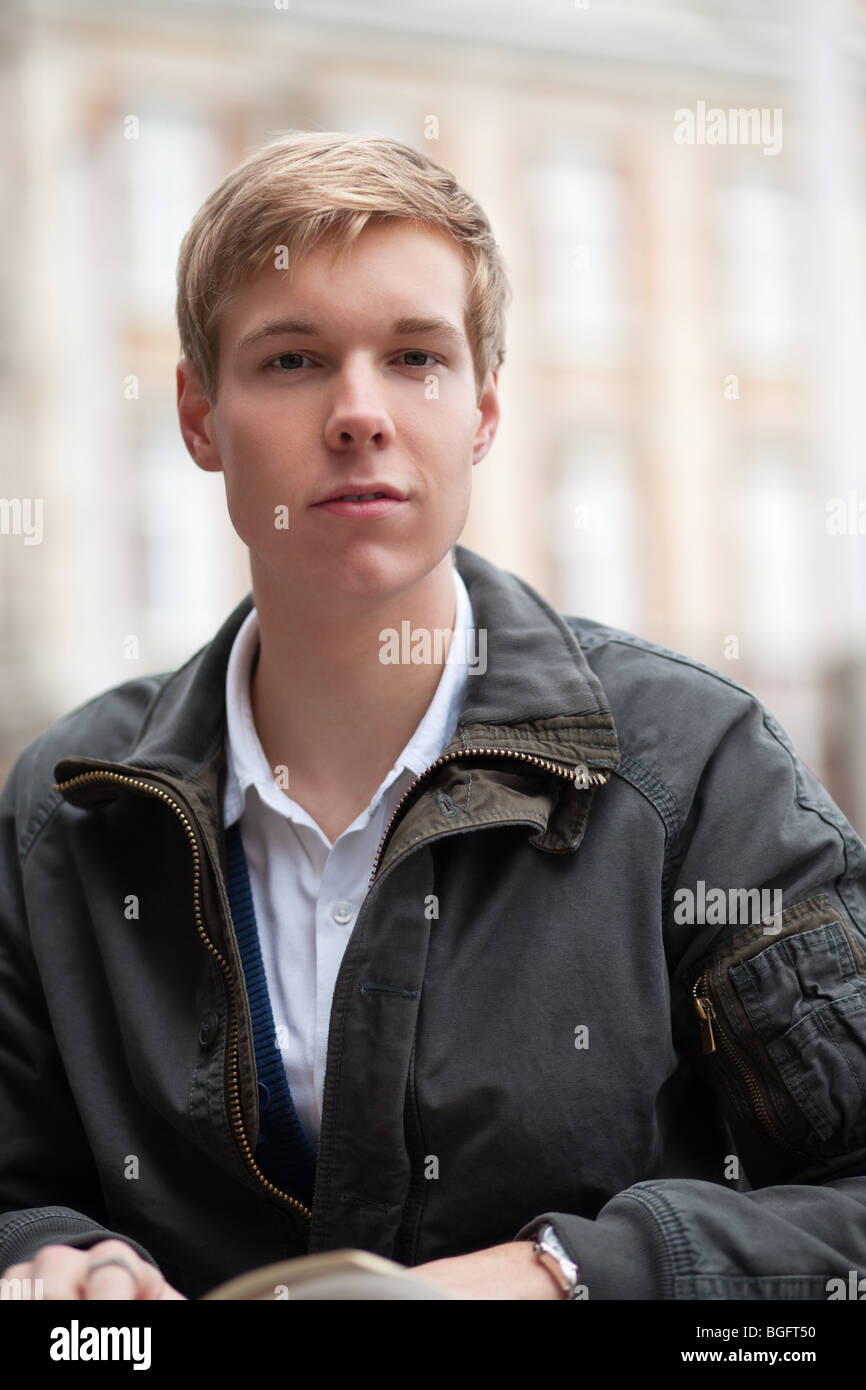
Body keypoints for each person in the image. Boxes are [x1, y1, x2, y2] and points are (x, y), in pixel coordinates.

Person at [1, 131, 865, 1303]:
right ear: (200, 417)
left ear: (482, 413)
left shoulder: (696, 773)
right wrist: (62, 1265)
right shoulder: (63, 807)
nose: (359, 413)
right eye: (293, 359)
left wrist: (560, 1278)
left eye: (413, 356)